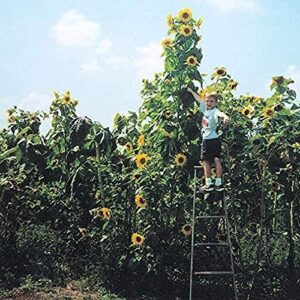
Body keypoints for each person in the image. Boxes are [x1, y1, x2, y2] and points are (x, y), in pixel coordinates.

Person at [187, 88, 230, 192]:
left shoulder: (215, 111)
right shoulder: (205, 110)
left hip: (209, 140)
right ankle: (216, 184)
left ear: (216, 102)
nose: (209, 103)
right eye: (207, 101)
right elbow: (198, 99)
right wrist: (191, 91)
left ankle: (211, 183)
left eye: (211, 101)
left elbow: (221, 114)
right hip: (212, 139)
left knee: (209, 161)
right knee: (213, 160)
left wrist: (225, 117)